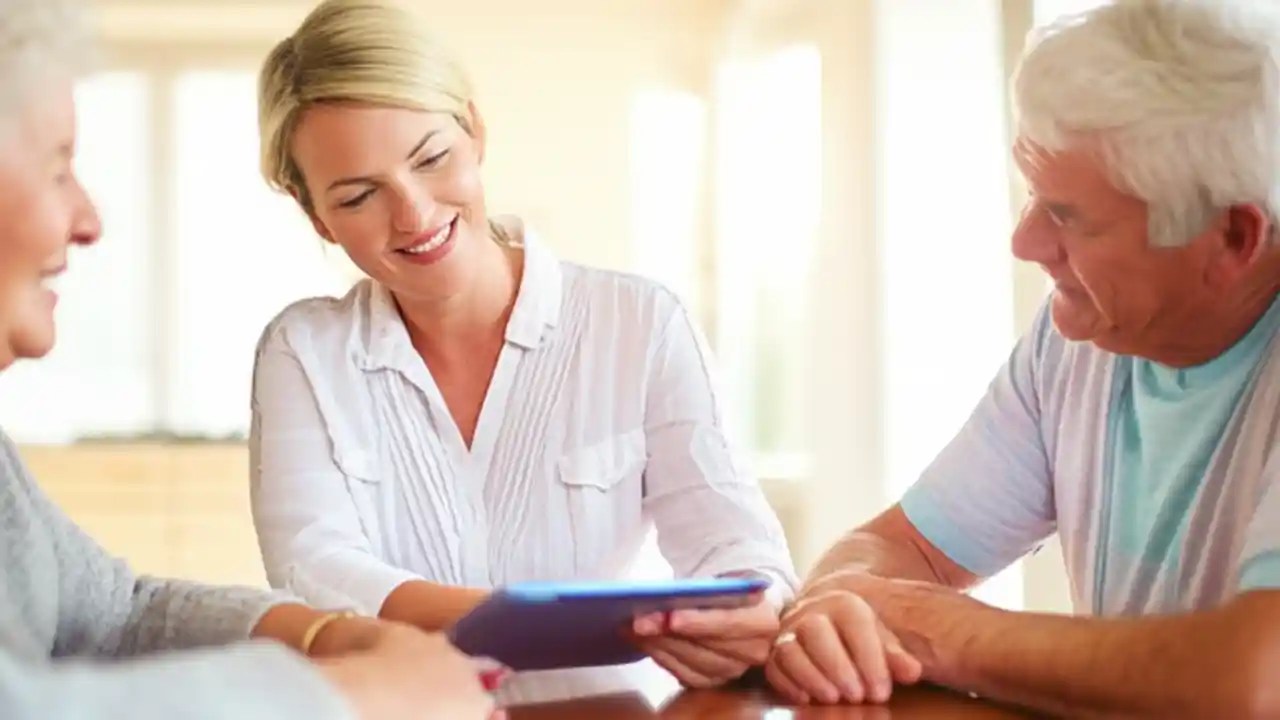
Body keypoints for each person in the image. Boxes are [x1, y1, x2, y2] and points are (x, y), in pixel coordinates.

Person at [249, 0, 797, 689]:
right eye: (360, 196)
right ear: (317, 217)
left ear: (474, 131)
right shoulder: (303, 352)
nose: (414, 215)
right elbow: (315, 568)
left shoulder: (639, 324)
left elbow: (741, 548)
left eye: (432, 158)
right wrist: (537, 623)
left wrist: (750, 608)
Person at [768, 1, 1280, 716]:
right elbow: (897, 551)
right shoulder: (1083, 338)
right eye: (1034, 196)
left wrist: (934, 627)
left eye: (1069, 215)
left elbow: (1254, 684)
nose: (1025, 242)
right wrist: (842, 617)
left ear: (1230, 237)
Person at [0, 1, 496, 718]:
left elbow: (117, 614)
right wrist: (360, 692)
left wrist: (332, 637)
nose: (90, 219)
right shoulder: (303, 347)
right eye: (58, 169)